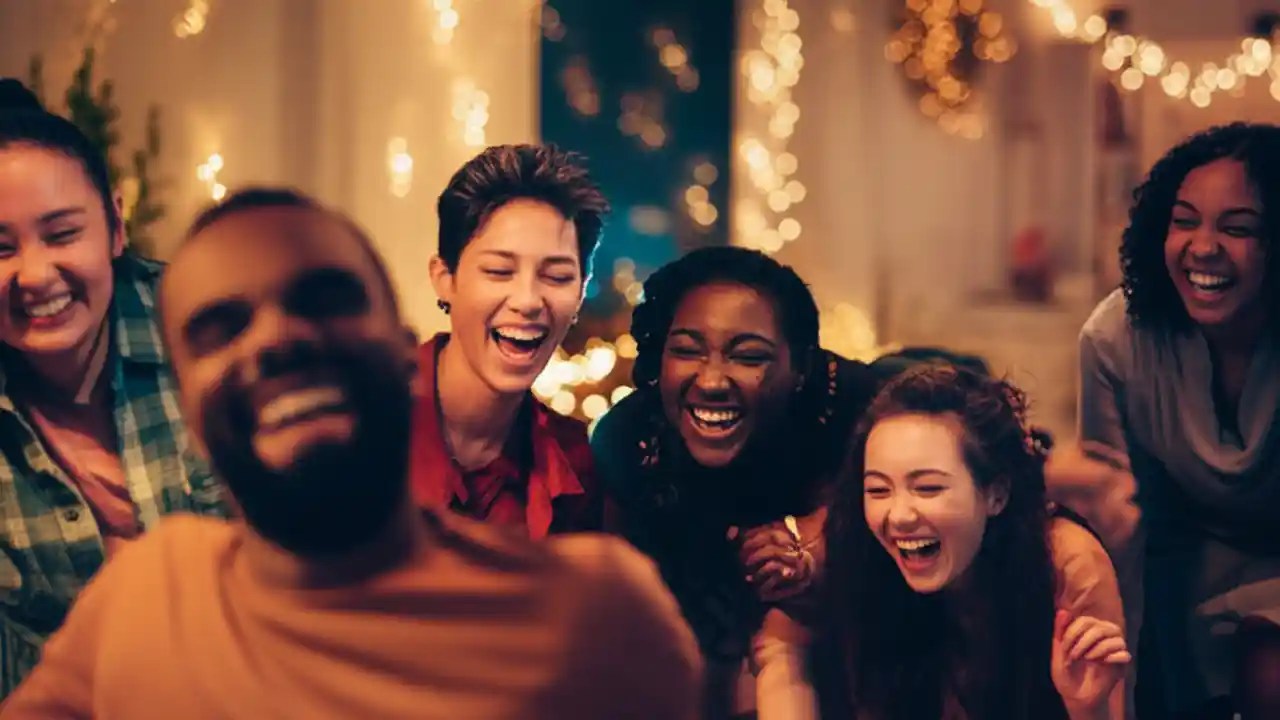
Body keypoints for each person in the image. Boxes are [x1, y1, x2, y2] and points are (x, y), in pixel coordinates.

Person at [0, 187, 702, 719]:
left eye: (324, 299)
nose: (276, 339)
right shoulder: (146, 595)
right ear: (187, 411)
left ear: (403, 351)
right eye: (221, 328)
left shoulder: (599, 616)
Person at [0, 79, 223, 693]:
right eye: (1, 248)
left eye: (62, 234)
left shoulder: (209, 331)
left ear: (116, 226)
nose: (35, 275)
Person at [591, 246, 880, 719]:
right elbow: (624, 615)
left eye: (748, 357)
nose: (711, 381)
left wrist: (819, 538)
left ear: (801, 367)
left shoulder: (865, 410)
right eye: (686, 350)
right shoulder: (627, 442)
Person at [1077, 122, 1280, 716]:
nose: (1203, 246)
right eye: (1184, 221)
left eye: (1237, 228)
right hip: (1185, 566)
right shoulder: (1115, 339)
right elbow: (1117, 522)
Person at [812, 364, 1128, 720]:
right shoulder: (861, 552)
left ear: (996, 494)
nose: (898, 516)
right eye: (878, 490)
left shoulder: (1065, 562)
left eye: (928, 488)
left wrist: (1086, 708)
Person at [411, 144, 607, 539]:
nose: (528, 301)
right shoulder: (360, 425)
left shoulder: (573, 462)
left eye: (556, 277)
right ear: (445, 278)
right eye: (499, 271)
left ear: (581, 293)